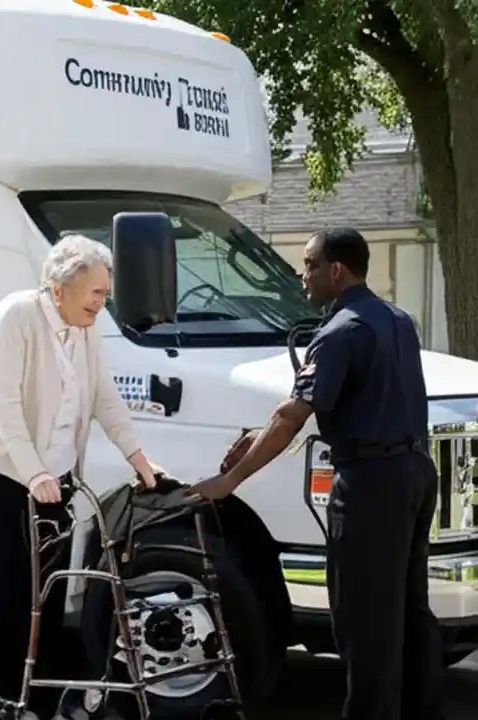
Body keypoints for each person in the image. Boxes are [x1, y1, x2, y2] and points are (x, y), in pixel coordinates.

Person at [190, 227, 444, 720]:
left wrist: (228, 482)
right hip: (415, 472)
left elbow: (292, 416)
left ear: (337, 270)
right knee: (409, 611)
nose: (303, 275)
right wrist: (258, 434)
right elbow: (357, 402)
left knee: (366, 619)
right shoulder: (397, 320)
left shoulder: (339, 332)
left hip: (370, 484)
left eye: (309, 265)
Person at [0, 233, 162, 720]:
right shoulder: (17, 316)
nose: (102, 303)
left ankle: (37, 699)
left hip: (53, 468)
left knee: (46, 587)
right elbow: (4, 405)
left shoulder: (84, 328)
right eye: (97, 293)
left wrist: (138, 457)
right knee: (2, 587)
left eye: (105, 293)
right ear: (60, 288)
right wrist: (33, 472)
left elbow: (105, 396)